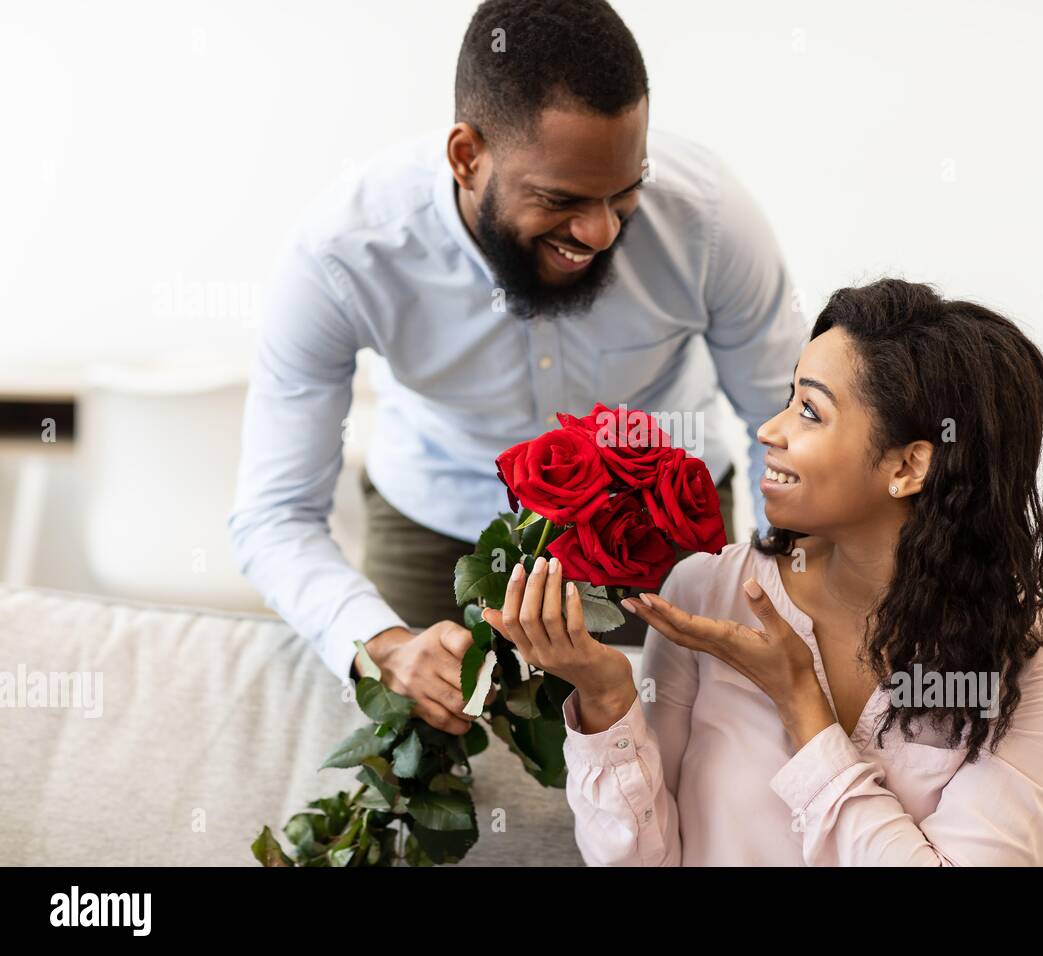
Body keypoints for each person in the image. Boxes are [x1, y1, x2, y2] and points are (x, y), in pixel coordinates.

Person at [227, 0, 805, 734]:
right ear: (467, 157)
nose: (598, 232)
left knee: (688, 756)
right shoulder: (342, 254)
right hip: (437, 524)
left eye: (623, 196)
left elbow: (785, 434)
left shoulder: (712, 220)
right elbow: (273, 514)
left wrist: (781, 596)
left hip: (657, 526)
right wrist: (381, 642)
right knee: (427, 761)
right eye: (560, 201)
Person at [483, 278, 1043, 865]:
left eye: (810, 411)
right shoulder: (708, 592)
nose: (768, 430)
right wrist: (607, 699)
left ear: (909, 467)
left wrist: (801, 704)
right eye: (789, 397)